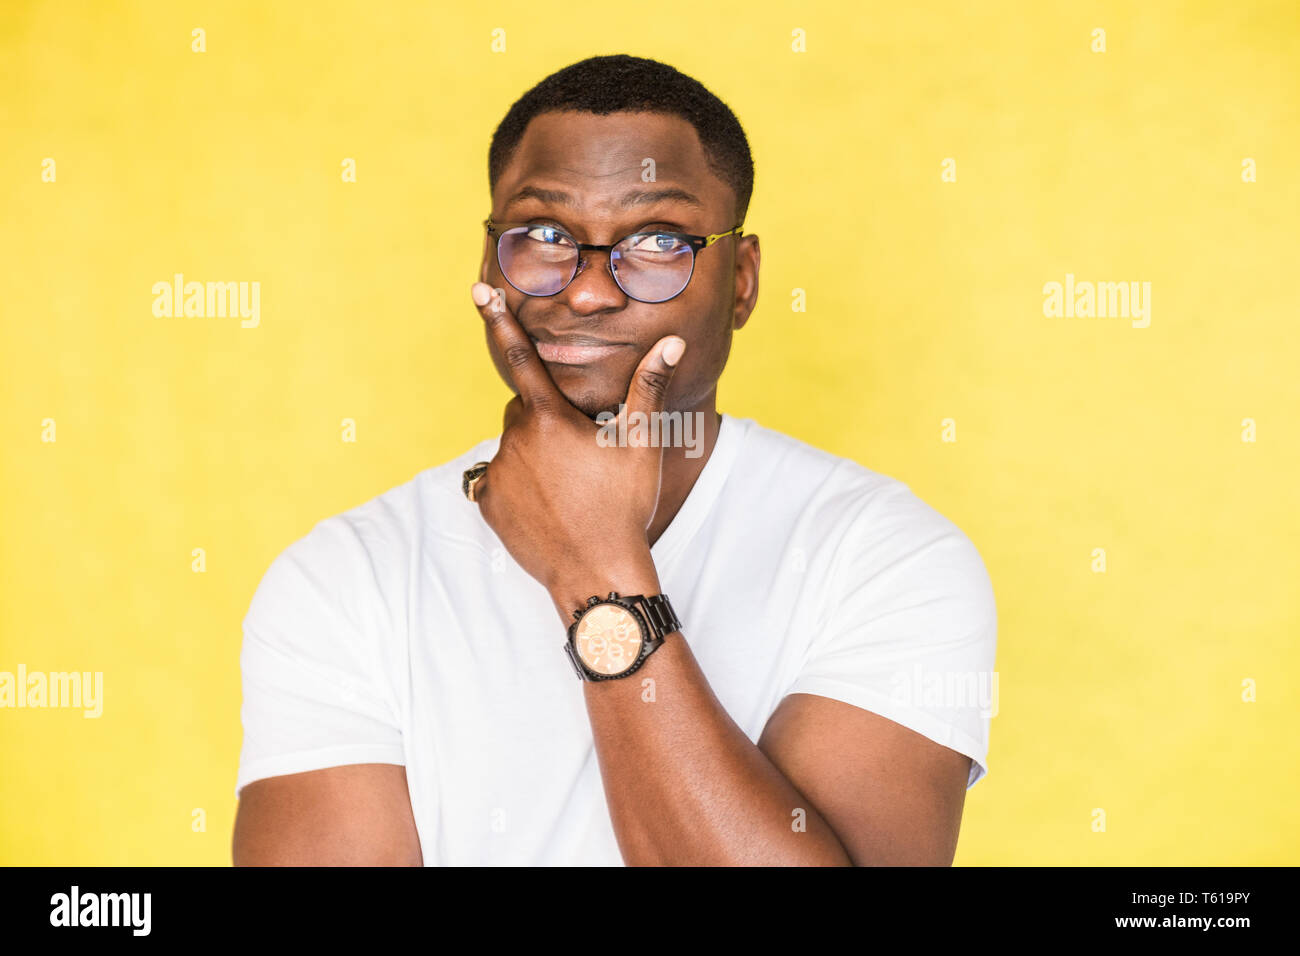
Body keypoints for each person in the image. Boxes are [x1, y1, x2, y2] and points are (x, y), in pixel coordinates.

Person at [232, 54, 997, 866]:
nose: (589, 291)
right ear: (489, 263)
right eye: (546, 236)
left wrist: (595, 570)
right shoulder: (343, 577)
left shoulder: (888, 558)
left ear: (741, 281)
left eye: (658, 240)